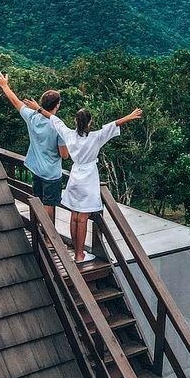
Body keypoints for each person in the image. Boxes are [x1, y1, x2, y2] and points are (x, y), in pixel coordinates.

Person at [23, 99, 143, 263]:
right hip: (88, 178)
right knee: (83, 218)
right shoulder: (95, 137)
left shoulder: (68, 134)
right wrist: (129, 116)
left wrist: (38, 108)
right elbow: (113, 125)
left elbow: (53, 119)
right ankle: (80, 255)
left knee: (74, 216)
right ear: (90, 122)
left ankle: (77, 253)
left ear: (75, 121)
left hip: (75, 177)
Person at [0, 72, 69, 221]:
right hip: (51, 173)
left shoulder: (32, 117)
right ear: (57, 105)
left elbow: (15, 101)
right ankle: (48, 233)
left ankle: (38, 229)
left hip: (36, 168)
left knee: (38, 201)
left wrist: (4, 85)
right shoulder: (58, 127)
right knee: (49, 204)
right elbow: (64, 155)